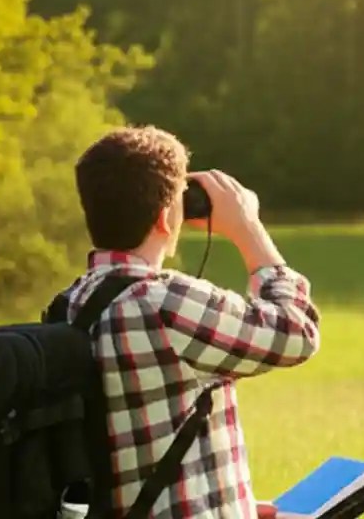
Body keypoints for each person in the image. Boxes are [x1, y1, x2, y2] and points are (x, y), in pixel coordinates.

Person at [59, 125, 322, 518]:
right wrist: (248, 227)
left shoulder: (68, 305)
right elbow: (296, 333)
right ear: (166, 217)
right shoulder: (164, 303)